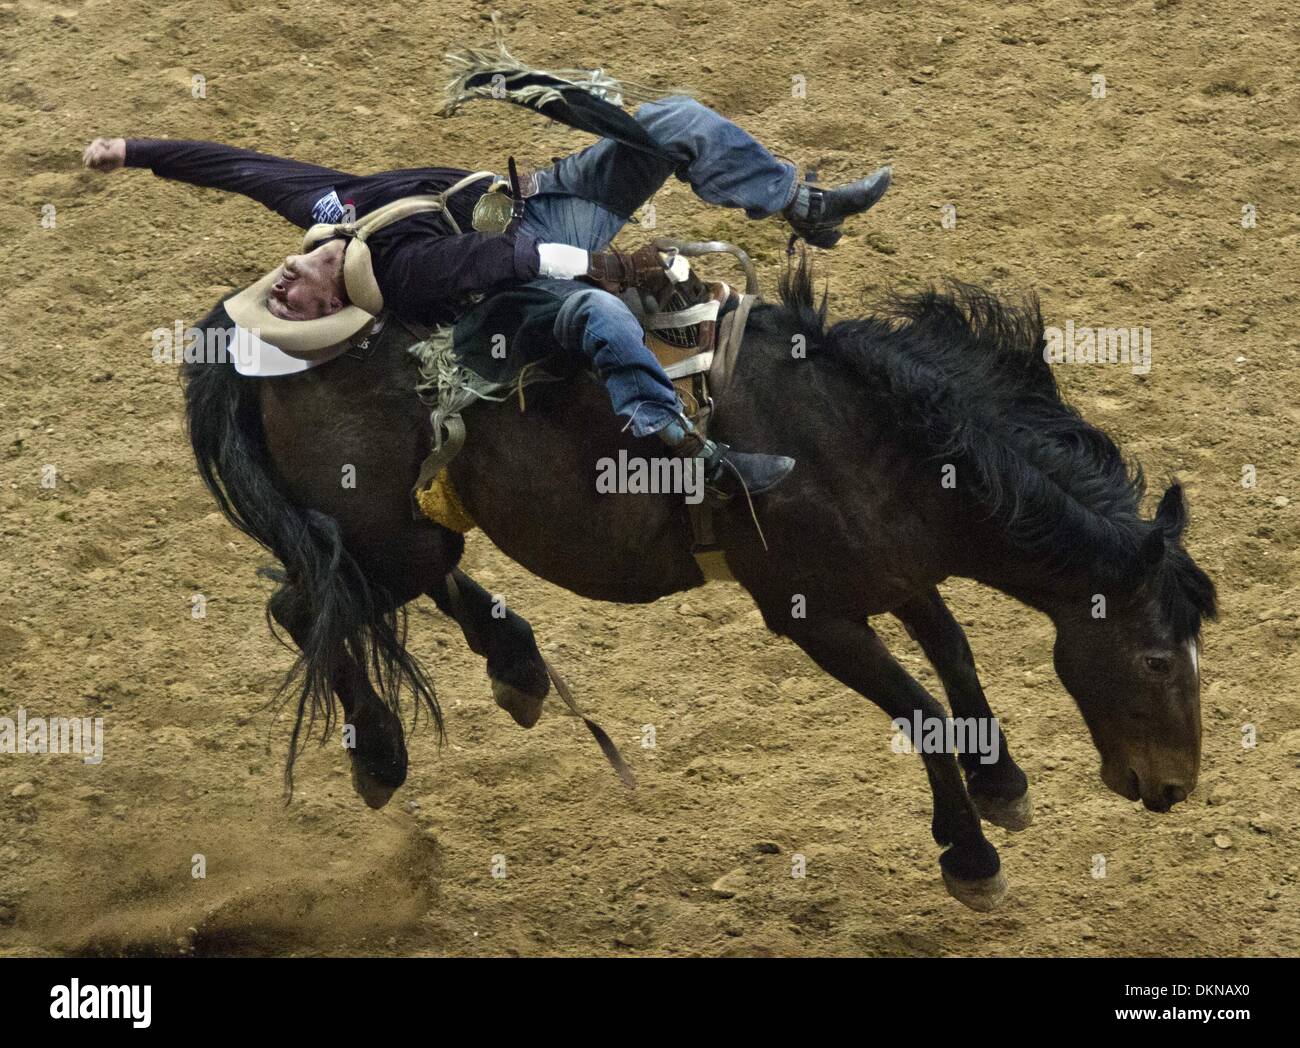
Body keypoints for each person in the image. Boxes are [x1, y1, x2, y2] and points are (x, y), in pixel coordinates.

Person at [83, 95, 889, 499]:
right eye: (291, 306)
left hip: (536, 202)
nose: (283, 285)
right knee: (603, 319)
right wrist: (604, 267)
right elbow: (505, 260)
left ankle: (801, 204)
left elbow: (235, 165)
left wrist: (137, 150)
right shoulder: (403, 275)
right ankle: (682, 449)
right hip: (526, 283)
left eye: (278, 289)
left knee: (671, 116)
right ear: (332, 306)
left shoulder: (332, 210)